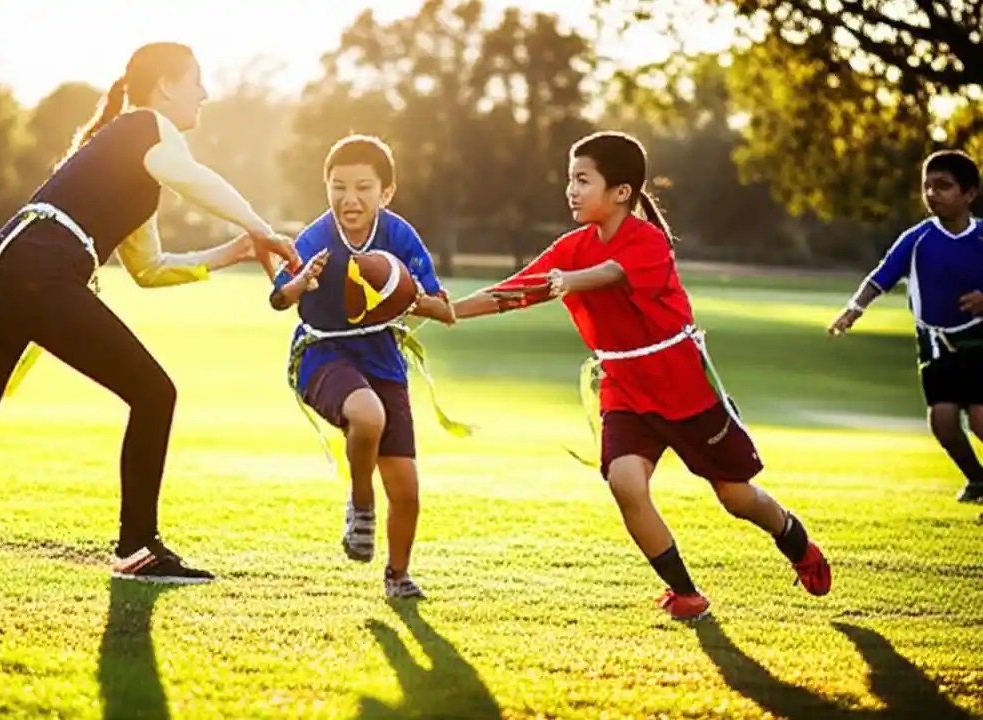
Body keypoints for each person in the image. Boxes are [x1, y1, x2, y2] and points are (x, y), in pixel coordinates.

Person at [0, 42, 299, 582]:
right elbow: (194, 178)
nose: (205, 93)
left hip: (11, 265)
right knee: (154, 392)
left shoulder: (139, 163)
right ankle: (138, 547)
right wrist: (260, 226)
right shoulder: (148, 127)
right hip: (35, 268)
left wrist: (232, 253)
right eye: (196, 80)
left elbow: (150, 268)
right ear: (164, 86)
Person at [452, 131, 831, 620]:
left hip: (684, 389)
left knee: (735, 497)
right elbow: (515, 290)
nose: (570, 190)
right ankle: (686, 593)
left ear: (621, 192)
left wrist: (568, 282)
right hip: (624, 389)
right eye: (570, 179)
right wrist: (448, 310)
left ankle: (796, 541)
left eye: (582, 180)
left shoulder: (648, 241)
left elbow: (613, 274)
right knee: (625, 482)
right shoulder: (570, 247)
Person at [271, 134, 456, 598]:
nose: (349, 199)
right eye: (338, 186)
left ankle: (398, 576)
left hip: (381, 358)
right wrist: (301, 284)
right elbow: (278, 297)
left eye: (363, 188)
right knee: (367, 414)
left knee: (408, 490)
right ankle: (360, 502)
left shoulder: (399, 235)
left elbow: (437, 305)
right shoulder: (316, 237)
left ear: (385, 192)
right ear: (326, 187)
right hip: (322, 354)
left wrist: (411, 295)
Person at [829, 150, 983, 503]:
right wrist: (854, 309)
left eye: (943, 186)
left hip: (979, 342)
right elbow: (880, 277)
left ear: (969, 194)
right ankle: (978, 480)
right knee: (943, 422)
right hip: (935, 345)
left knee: (980, 420)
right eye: (927, 186)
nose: (932, 194)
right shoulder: (918, 238)